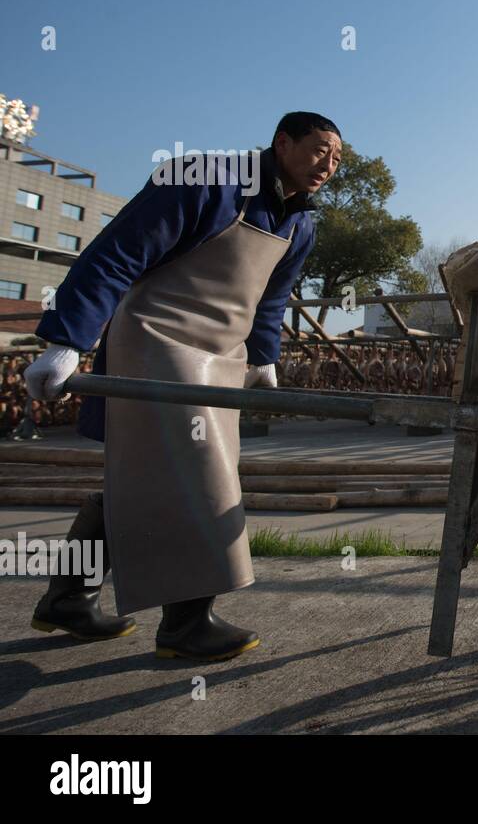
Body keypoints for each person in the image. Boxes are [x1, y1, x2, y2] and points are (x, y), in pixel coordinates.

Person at [24, 112, 340, 660]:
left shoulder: (301, 224)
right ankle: (186, 623)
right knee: (202, 475)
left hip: (222, 358)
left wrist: (264, 360)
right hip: (157, 338)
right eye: (319, 151)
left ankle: (68, 599)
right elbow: (119, 251)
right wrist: (66, 339)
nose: (327, 167)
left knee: (146, 477)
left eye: (336, 160)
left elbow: (269, 298)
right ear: (282, 141)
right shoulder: (205, 176)